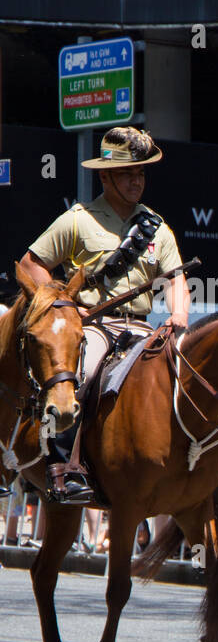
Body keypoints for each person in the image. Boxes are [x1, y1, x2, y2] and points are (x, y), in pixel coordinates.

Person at [18, 127, 190, 504]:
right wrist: (64, 302)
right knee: (80, 377)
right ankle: (65, 468)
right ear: (105, 175)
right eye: (128, 173)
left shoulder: (156, 228)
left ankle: (187, 465)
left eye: (141, 173)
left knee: (186, 381)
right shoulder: (79, 219)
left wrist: (179, 314)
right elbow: (32, 265)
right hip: (96, 326)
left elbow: (175, 278)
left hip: (144, 328)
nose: (136, 181)